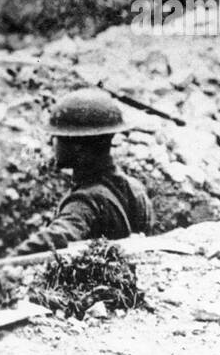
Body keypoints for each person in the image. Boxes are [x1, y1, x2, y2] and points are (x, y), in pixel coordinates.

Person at [14, 89, 153, 255]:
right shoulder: (135, 189)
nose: (53, 143)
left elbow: (57, 237)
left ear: (78, 147)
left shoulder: (85, 201)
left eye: (58, 137)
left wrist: (5, 263)